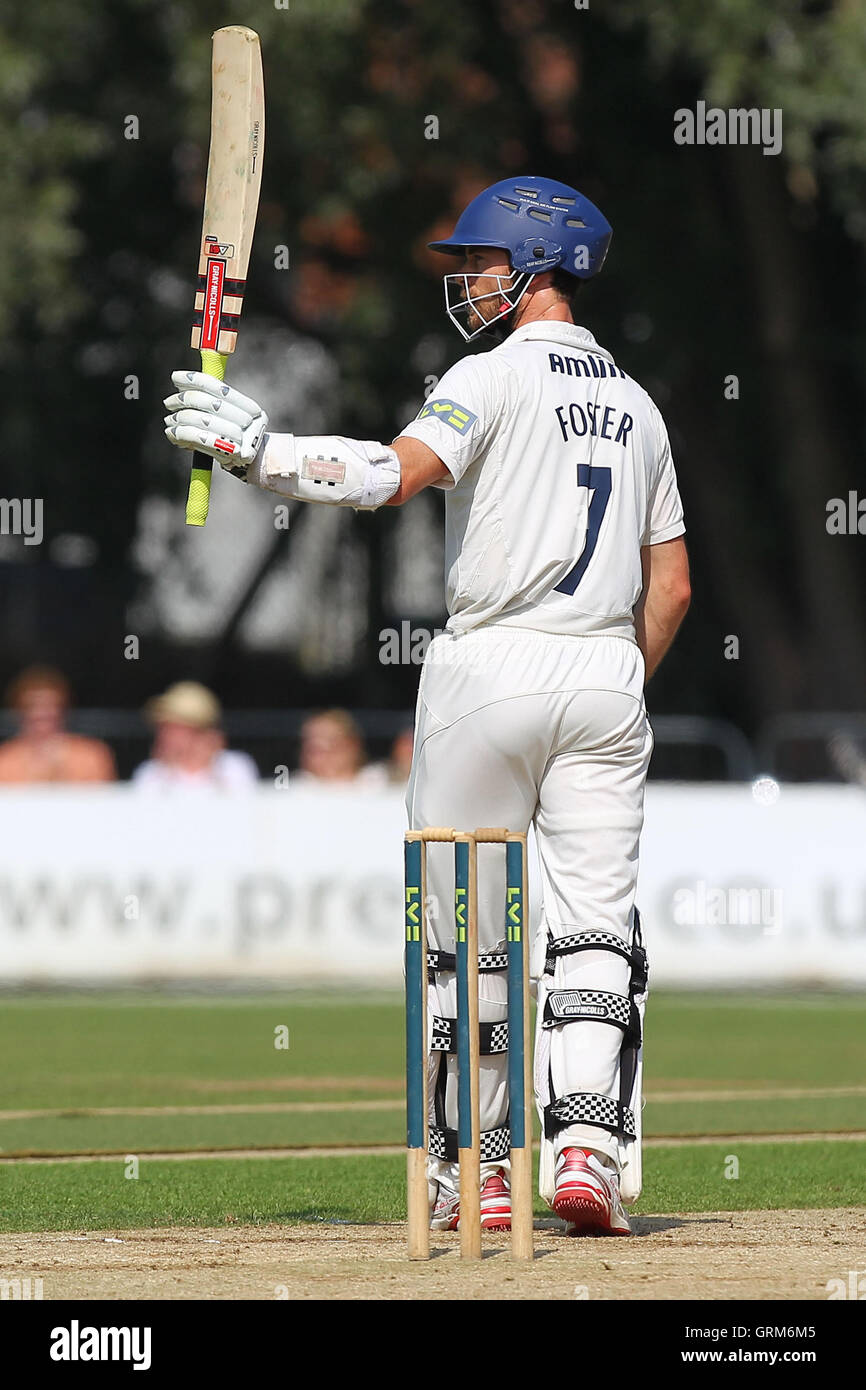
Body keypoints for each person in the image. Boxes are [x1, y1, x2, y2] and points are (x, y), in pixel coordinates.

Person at [163, 175, 690, 1237]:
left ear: (540, 273)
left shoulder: (486, 378)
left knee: (465, 934)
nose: (467, 282)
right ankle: (583, 1150)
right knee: (592, 926)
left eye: (483, 265)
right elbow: (671, 586)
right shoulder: (638, 407)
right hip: (604, 678)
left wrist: (254, 450)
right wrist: (608, 682)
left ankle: (477, 1171)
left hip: (486, 670)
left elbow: (390, 478)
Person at [133, 681, 258, 790]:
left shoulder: (235, 766)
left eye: (173, 728)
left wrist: (212, 767)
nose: (163, 734)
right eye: (162, 727)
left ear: (200, 731)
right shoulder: (150, 772)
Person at [0, 666, 115, 784]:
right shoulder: (4, 760)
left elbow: (104, 798)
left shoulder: (92, 755)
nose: (42, 713)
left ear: (63, 709)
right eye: (33, 706)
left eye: (50, 706)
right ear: (19, 712)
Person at [295, 708, 385, 786]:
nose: (322, 754)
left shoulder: (382, 783)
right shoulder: (293, 790)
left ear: (353, 744)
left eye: (332, 742)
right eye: (313, 747)